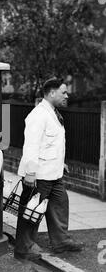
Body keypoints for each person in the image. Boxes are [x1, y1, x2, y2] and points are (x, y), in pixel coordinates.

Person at [14, 78, 84, 261]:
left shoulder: (53, 113)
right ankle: (23, 248)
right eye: (64, 92)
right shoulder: (38, 115)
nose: (67, 96)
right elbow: (31, 146)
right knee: (32, 212)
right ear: (52, 93)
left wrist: (60, 163)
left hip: (54, 173)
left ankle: (61, 242)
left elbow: (51, 144)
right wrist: (30, 172)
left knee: (60, 205)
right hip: (38, 175)